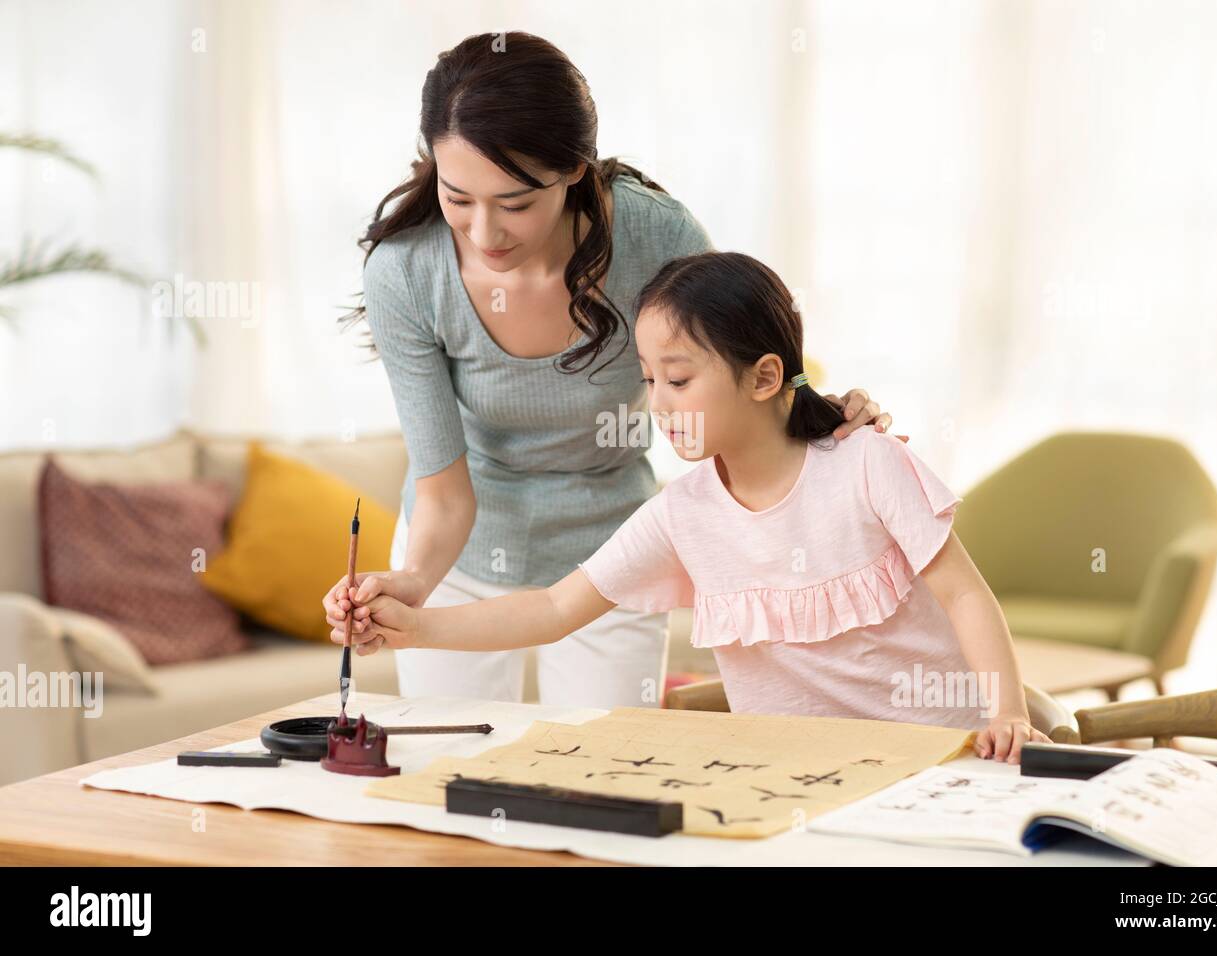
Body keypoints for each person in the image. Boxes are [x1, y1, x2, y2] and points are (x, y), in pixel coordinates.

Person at [326, 32, 893, 709]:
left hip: (611, 550)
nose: (484, 233)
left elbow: (740, 373)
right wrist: (412, 583)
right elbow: (447, 494)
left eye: (515, 203)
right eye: (458, 198)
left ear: (573, 170)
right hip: (459, 553)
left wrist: (819, 416)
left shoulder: (654, 237)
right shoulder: (407, 272)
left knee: (606, 773)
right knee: (449, 766)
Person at [335, 251, 1051, 764]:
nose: (659, 404)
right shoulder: (683, 513)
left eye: (678, 378)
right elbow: (553, 610)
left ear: (766, 376)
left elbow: (963, 595)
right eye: (648, 379)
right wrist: (413, 625)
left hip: (951, 755)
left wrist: (1007, 714)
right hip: (811, 780)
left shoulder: (868, 463)